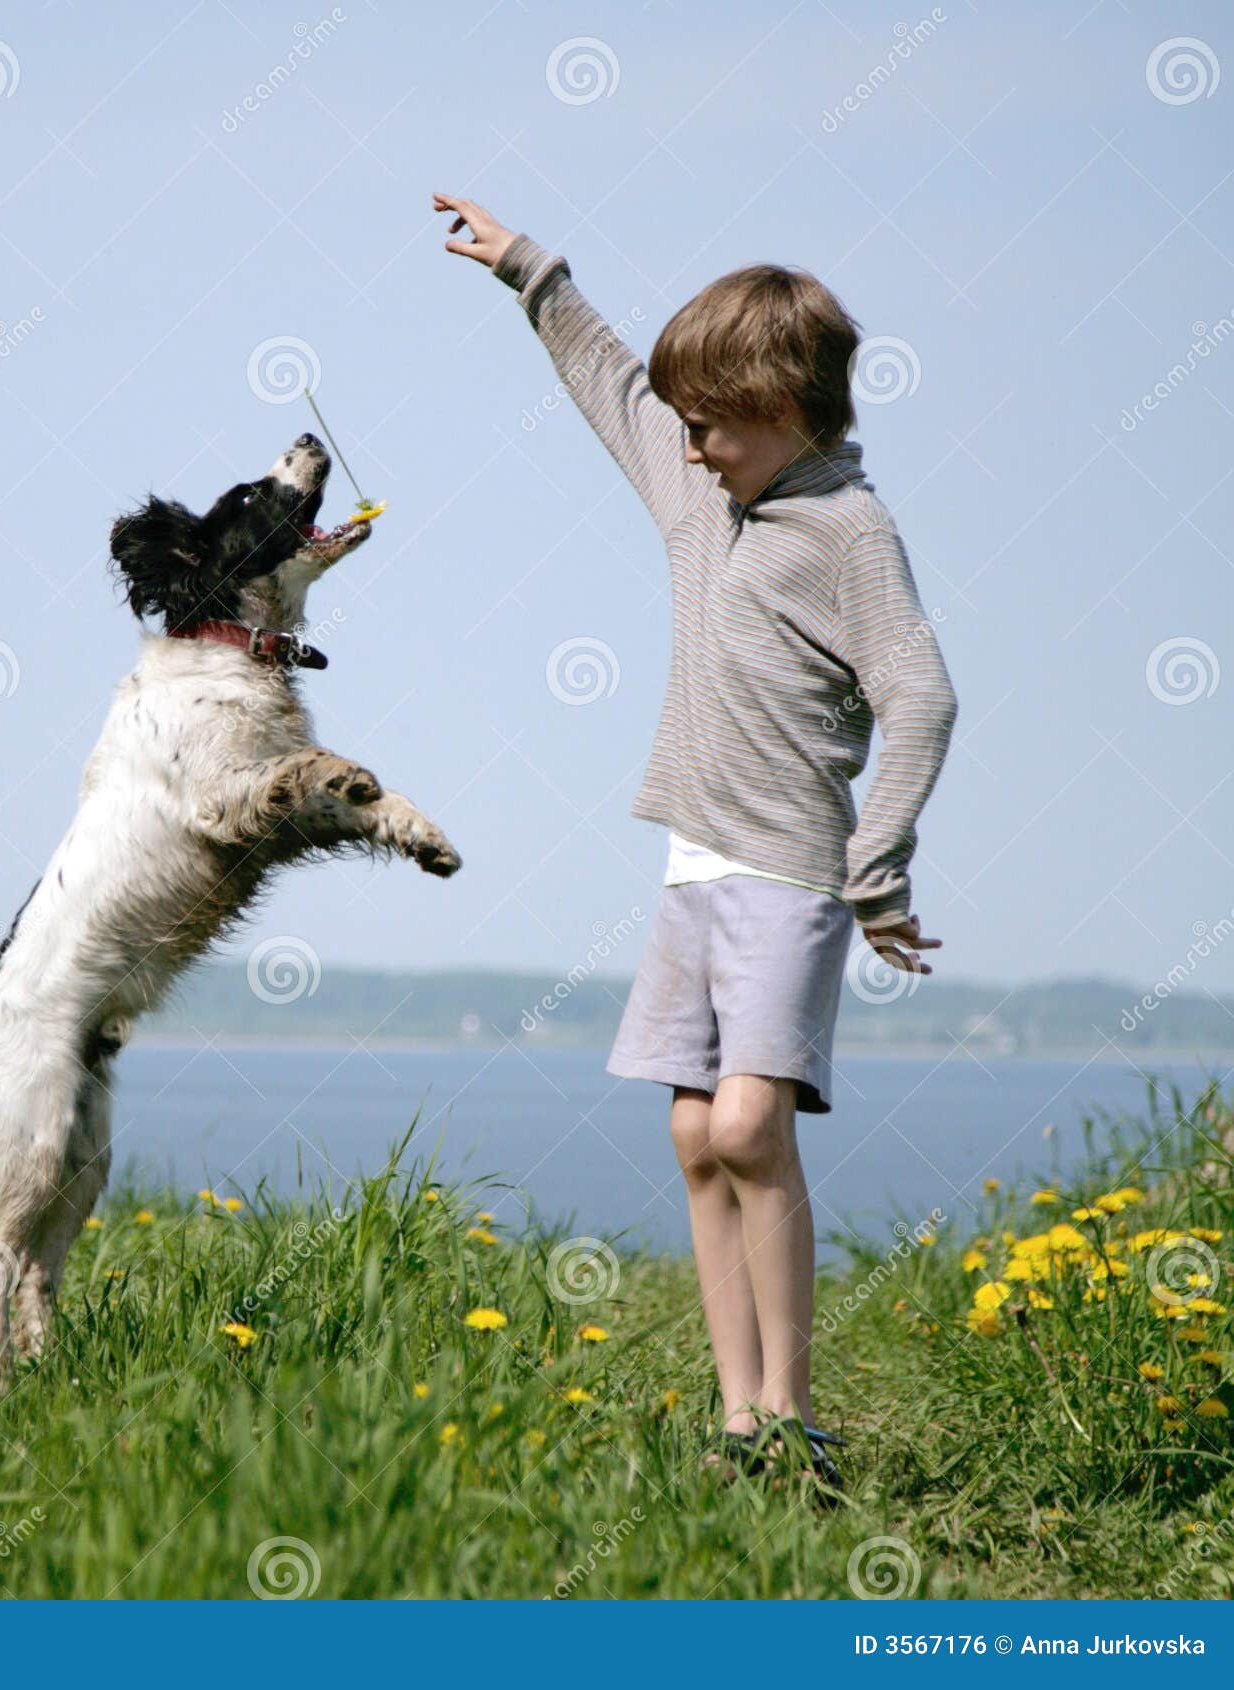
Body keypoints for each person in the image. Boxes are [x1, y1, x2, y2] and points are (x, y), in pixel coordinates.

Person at [434, 192, 959, 1487]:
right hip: (692, 868)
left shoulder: (851, 534)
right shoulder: (701, 493)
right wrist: (529, 271)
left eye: (710, 424)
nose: (690, 445)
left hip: (791, 873)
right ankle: (737, 1423)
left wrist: (877, 866)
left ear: (781, 410)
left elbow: (921, 697)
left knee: (748, 1130)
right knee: (692, 1136)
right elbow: (614, 387)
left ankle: (793, 1414)